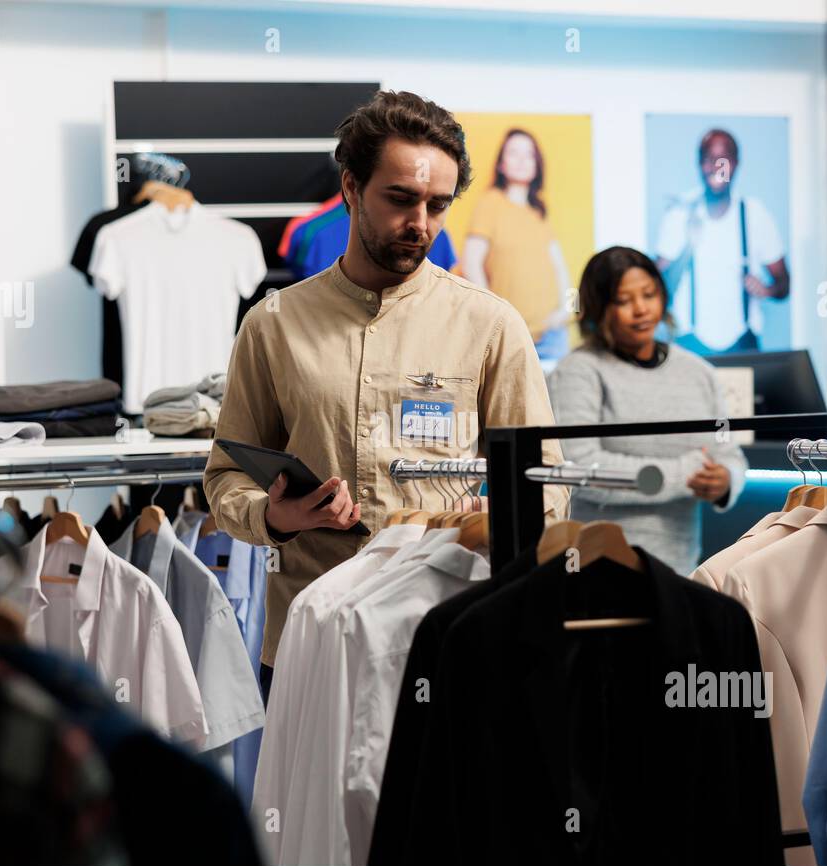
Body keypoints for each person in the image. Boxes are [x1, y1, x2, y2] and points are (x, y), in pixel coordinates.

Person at [203, 91, 570, 702]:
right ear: (350, 186)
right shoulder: (272, 326)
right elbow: (223, 479)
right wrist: (275, 515)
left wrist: (488, 524)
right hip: (311, 638)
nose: (420, 223)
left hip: (449, 637)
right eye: (400, 199)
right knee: (305, 802)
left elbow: (543, 486)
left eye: (437, 205)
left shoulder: (491, 326)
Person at [548, 246, 747, 576]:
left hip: (680, 570)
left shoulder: (699, 372)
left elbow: (729, 454)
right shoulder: (578, 371)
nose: (641, 309)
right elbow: (580, 470)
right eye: (624, 301)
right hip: (597, 569)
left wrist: (725, 480)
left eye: (649, 295)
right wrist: (686, 473)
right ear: (599, 309)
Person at [654, 128, 789, 354]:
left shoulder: (755, 214)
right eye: (708, 159)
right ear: (699, 164)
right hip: (689, 344)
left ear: (735, 164)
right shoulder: (679, 214)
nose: (715, 167)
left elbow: (784, 284)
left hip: (743, 344)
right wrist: (687, 247)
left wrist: (767, 289)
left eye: (722, 159)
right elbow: (656, 285)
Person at [460, 128, 572, 367]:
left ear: (537, 164)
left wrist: (568, 311)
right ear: (501, 164)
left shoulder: (539, 211)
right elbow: (470, 264)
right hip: (511, 337)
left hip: (553, 337)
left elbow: (562, 270)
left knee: (559, 404)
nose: (522, 160)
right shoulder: (489, 203)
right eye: (513, 152)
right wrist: (497, 318)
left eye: (529, 154)